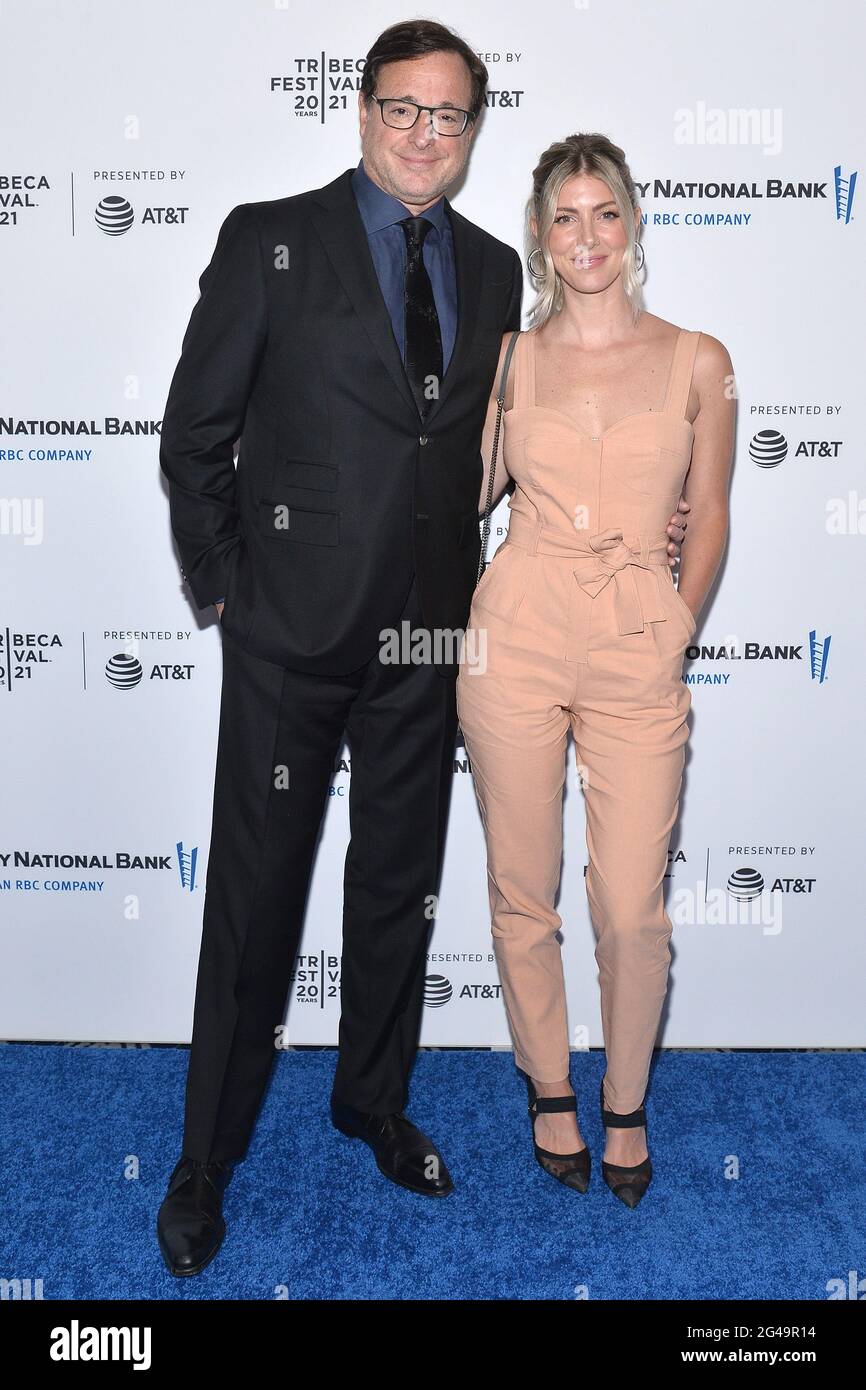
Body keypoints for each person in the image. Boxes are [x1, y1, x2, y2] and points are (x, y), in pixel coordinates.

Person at [156, 22, 691, 1277]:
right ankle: (202, 1158)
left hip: (432, 637)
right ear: (361, 111)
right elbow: (194, 437)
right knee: (255, 903)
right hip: (289, 638)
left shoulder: (501, 270)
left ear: (470, 133)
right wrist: (232, 592)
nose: (422, 135)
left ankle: (371, 1101)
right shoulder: (267, 239)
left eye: (448, 117)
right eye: (403, 109)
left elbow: (501, 447)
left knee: (396, 888)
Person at [457, 133, 734, 1208]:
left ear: (631, 224)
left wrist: (673, 622)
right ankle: (546, 1087)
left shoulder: (696, 358)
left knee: (629, 906)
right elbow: (466, 491)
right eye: (564, 216)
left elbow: (706, 513)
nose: (585, 236)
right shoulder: (509, 359)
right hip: (515, 627)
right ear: (538, 233)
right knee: (521, 889)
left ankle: (625, 1098)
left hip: (634, 638)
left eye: (604, 213)